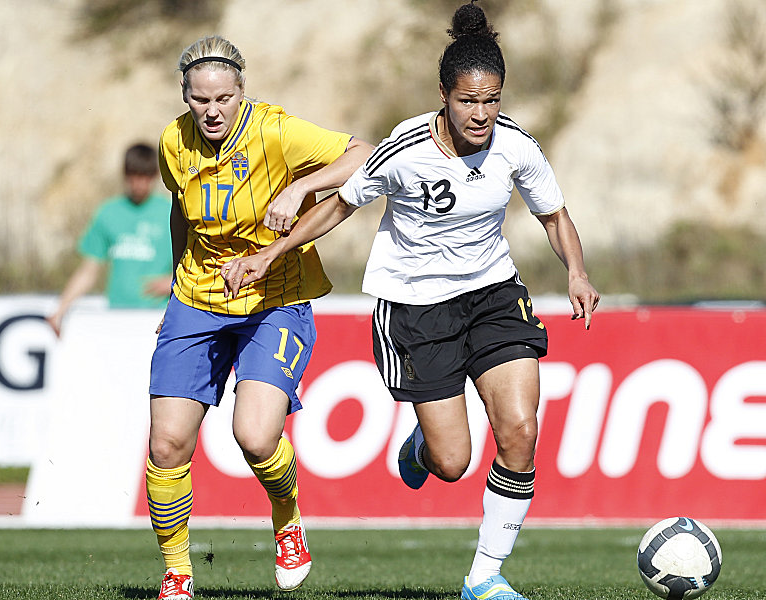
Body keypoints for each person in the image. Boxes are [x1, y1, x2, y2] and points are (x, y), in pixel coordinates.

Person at [220, 3, 600, 600]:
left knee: (521, 431)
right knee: (453, 463)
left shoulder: (516, 146)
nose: (480, 114)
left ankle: (485, 576)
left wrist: (576, 272)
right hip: (416, 309)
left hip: (494, 295)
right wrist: (272, 253)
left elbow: (553, 214)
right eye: (468, 100)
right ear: (445, 95)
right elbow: (343, 204)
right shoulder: (405, 148)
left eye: (491, 100)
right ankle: (425, 446)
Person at [147, 35, 373, 600]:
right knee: (167, 444)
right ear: (186, 97)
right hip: (197, 299)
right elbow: (181, 211)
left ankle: (287, 518)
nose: (213, 110)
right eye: (201, 100)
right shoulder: (173, 141)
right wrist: (177, 283)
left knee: (254, 434)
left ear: (242, 92)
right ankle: (177, 575)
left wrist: (301, 185)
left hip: (275, 299)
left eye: (223, 97)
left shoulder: (275, 131)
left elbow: (365, 152)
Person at [46, 143, 173, 336]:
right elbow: (89, 269)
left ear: (155, 176)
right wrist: (61, 309)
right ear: (125, 175)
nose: (139, 182)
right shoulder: (108, 213)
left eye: (145, 176)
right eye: (133, 175)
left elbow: (194, 259)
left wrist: (174, 282)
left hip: (159, 316)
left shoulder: (170, 211)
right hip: (117, 316)